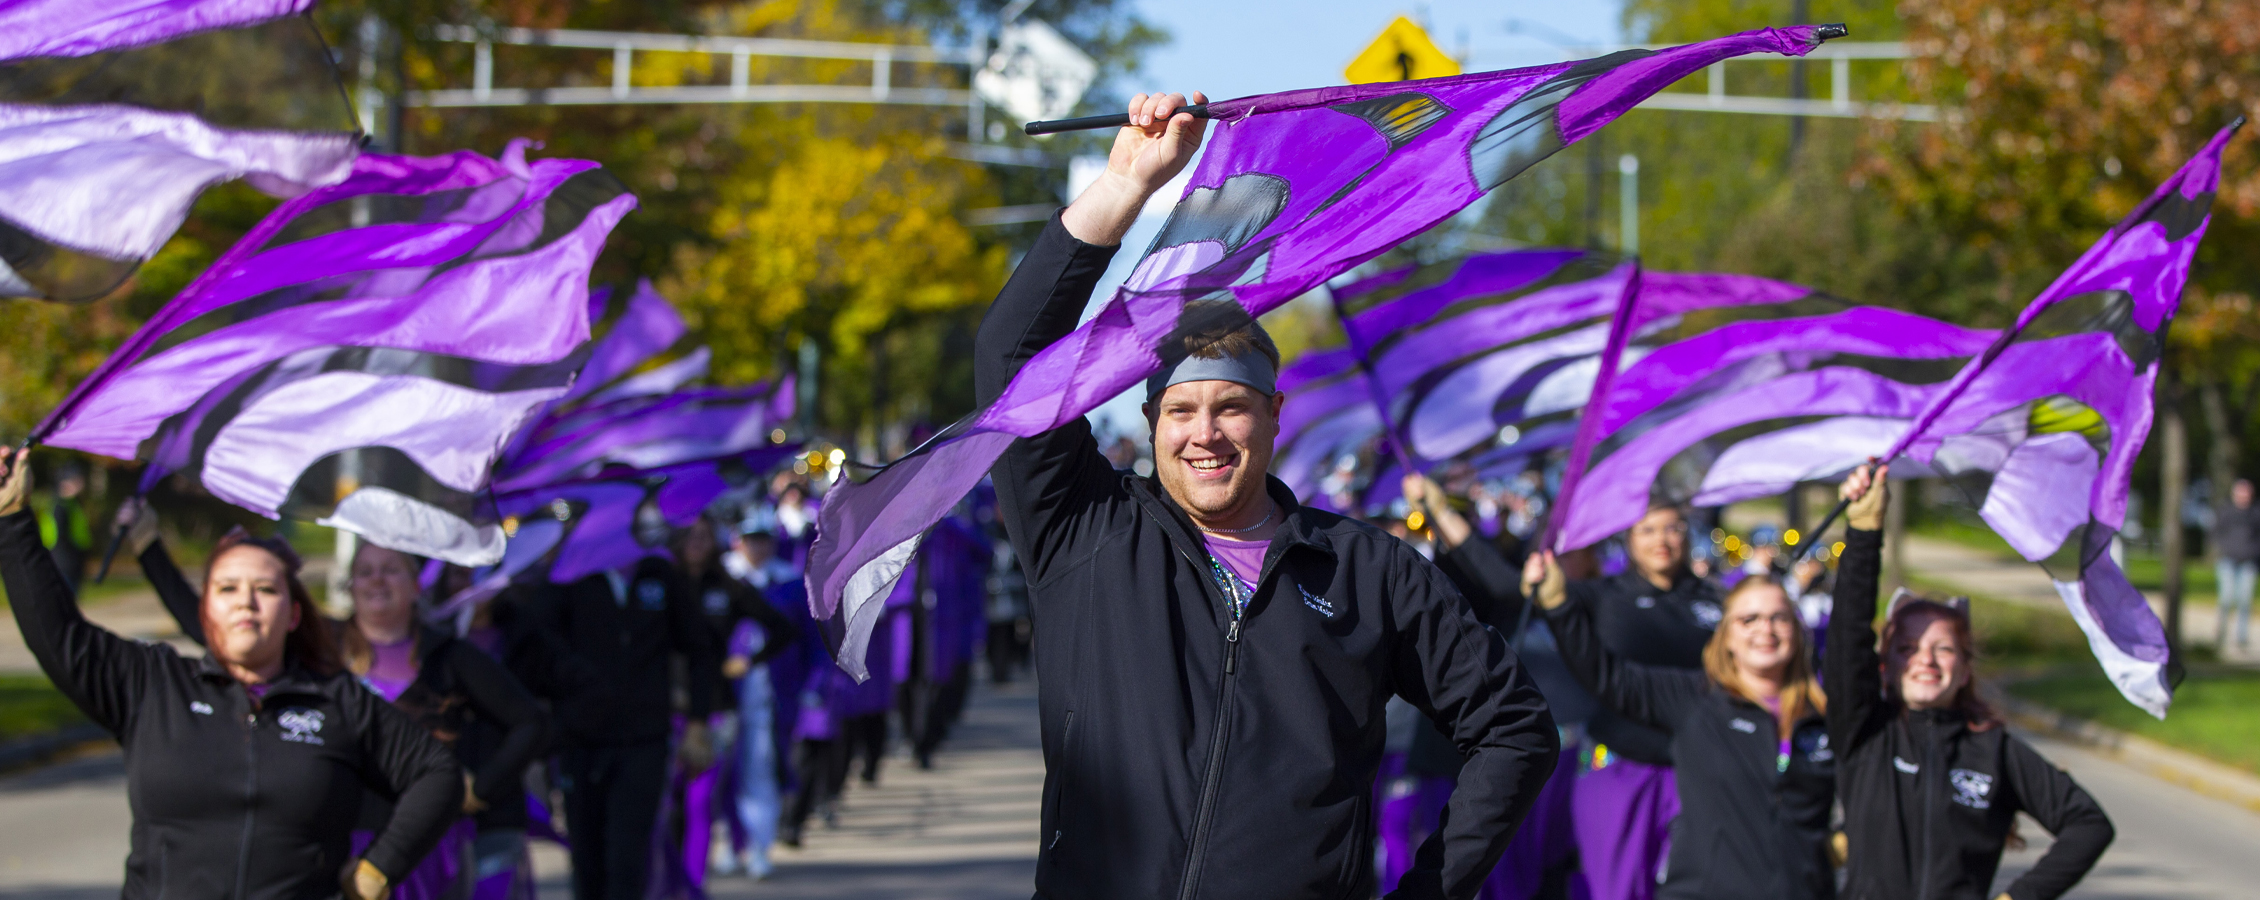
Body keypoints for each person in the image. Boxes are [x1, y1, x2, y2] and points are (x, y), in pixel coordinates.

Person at [980, 91, 1558, 900]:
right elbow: (1011, 356)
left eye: (1231, 407)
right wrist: (1125, 187)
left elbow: (1515, 730)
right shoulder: (1085, 527)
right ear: (1150, 424)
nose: (1204, 434)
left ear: (1273, 416)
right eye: (1180, 411)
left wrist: (1429, 889)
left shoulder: (1368, 571)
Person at [0, 449, 462, 900]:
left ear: (295, 613)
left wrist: (380, 868)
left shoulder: (336, 700)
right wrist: (13, 518)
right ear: (206, 612)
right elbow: (58, 636)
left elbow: (437, 773)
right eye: (227, 588)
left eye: (265, 588)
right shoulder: (153, 683)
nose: (246, 601)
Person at [129, 500, 551, 900]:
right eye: (365, 571)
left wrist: (481, 787)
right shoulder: (324, 651)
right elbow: (212, 625)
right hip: (348, 845)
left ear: (415, 584)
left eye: (390, 569)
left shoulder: (451, 657)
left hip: (426, 849)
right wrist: (149, 548)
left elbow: (530, 721)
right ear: (350, 585)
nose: (376, 580)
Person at [1828, 464, 2113, 900]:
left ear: (1964, 669)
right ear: (1885, 665)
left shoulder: (1993, 750)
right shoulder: (1866, 732)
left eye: (1942, 648)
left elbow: (2088, 824)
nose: (1925, 659)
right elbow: (1848, 636)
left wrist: (2019, 897)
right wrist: (1865, 531)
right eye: (1907, 647)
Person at [1524, 533, 1836, 898]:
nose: (1764, 629)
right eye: (1749, 619)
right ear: (1726, 636)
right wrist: (1559, 605)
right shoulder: (1696, 698)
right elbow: (1609, 677)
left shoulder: (1820, 713)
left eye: (1778, 617)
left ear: (1798, 631)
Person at [524, 555, 719, 900]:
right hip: (580, 739)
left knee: (627, 853)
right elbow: (536, 649)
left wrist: (698, 719)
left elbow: (699, 647)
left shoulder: (659, 574)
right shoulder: (567, 575)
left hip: (644, 738)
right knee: (587, 856)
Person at [2214, 478, 2259, 650]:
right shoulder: (2225, 511)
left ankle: (2241, 637)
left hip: (2248, 561)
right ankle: (2221, 632)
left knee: (2245, 601)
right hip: (2228, 560)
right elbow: (2216, 532)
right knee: (2226, 598)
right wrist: (2224, 548)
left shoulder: (2255, 513)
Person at [37, 464, 92, 592]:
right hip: (63, 561)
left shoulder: (73, 503)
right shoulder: (60, 506)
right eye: (77, 479)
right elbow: (60, 535)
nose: (81, 483)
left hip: (72, 561)